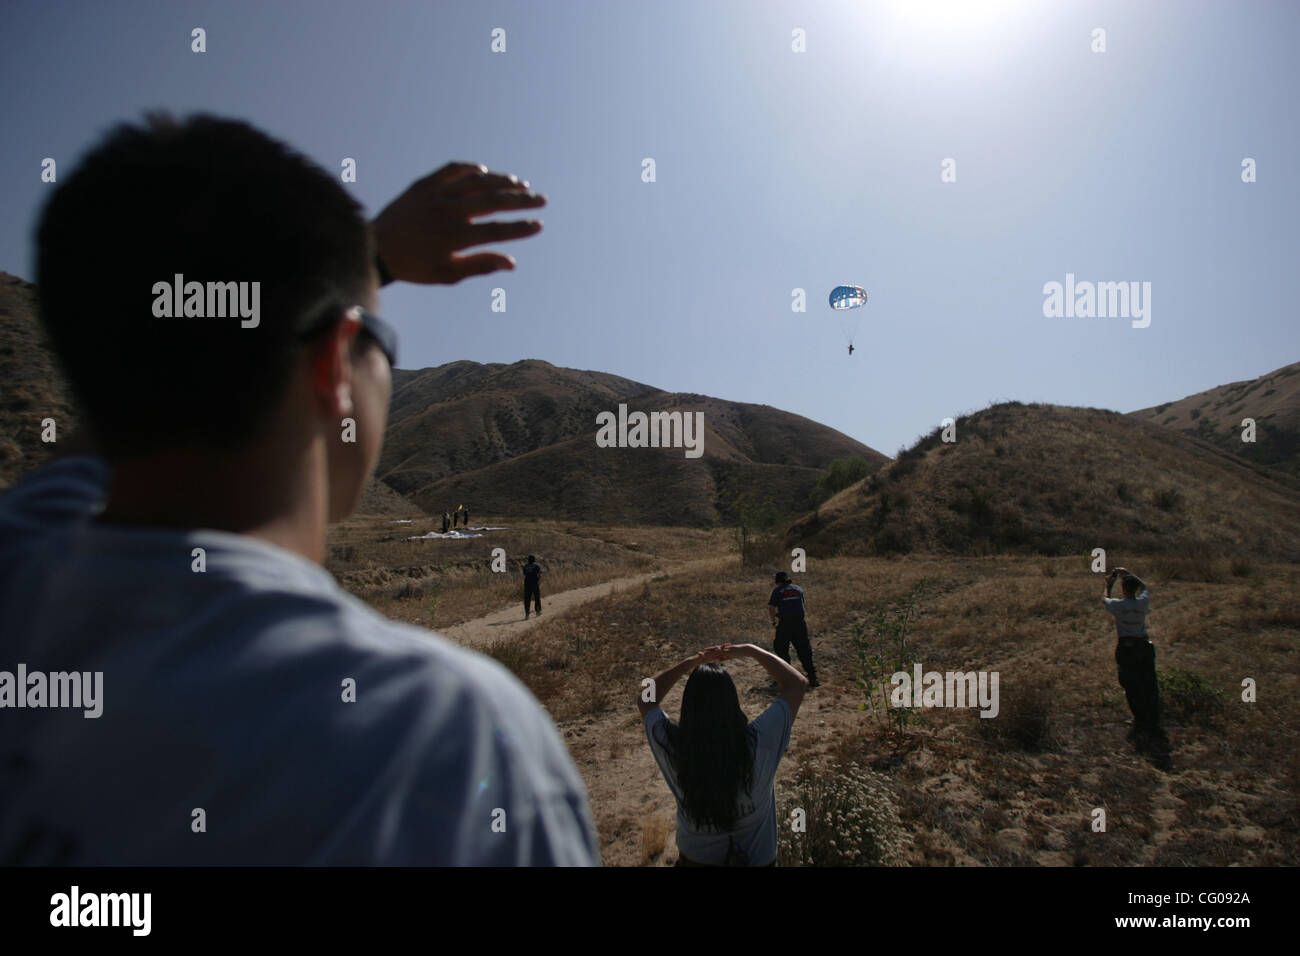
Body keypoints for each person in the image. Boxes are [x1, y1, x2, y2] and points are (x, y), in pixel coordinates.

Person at [0, 113, 598, 865]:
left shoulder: (20, 561)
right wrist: (359, 263)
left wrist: (352, 270)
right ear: (333, 364)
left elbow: (112, 415)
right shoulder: (444, 742)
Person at [637, 643, 806, 866]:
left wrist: (690, 663)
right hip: (758, 860)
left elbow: (646, 699)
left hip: (695, 860)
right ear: (733, 704)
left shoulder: (676, 748)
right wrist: (751, 650)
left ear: (688, 707)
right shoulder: (760, 741)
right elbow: (797, 684)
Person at [1101, 566, 1162, 744]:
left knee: (1130, 684)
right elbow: (1145, 587)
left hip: (1127, 648)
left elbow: (1104, 599)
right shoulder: (1142, 603)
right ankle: (1152, 718)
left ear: (1124, 590)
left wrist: (1108, 585)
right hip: (1143, 646)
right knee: (1149, 682)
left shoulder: (1119, 606)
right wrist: (1128, 573)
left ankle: (1139, 719)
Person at [768, 572, 819, 687]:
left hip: (785, 624)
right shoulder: (798, 589)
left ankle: (785, 677)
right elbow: (802, 604)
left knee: (781, 649)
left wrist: (773, 622)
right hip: (800, 623)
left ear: (777, 581)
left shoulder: (778, 590)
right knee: (804, 650)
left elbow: (771, 608)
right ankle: (812, 677)